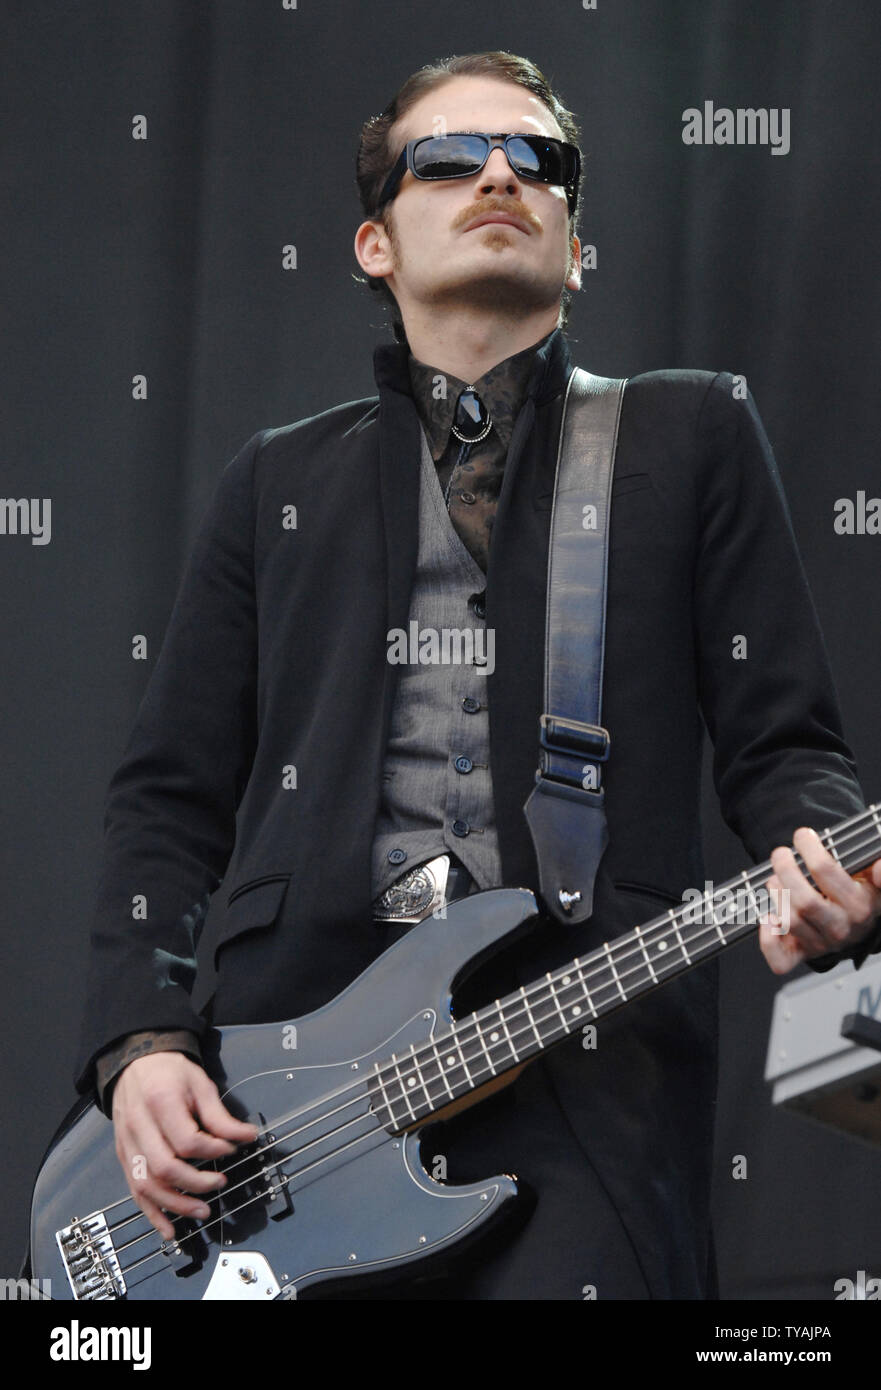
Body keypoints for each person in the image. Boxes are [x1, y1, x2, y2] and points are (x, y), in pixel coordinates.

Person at [74, 51, 881, 1300]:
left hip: (586, 1075)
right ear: (373, 244)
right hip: (280, 1116)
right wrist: (142, 1044)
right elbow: (166, 800)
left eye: (537, 160)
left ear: (576, 252)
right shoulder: (274, 485)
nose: (500, 172)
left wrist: (828, 864)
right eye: (447, 158)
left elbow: (787, 749)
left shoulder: (689, 433)